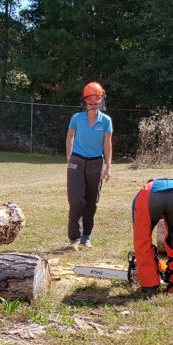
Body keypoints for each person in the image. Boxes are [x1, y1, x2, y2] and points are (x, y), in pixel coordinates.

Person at [64, 81, 114, 250]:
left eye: (97, 101)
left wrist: (108, 166)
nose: (94, 104)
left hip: (96, 163)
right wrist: (69, 156)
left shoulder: (106, 121)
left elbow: (107, 144)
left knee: (92, 202)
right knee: (77, 201)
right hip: (76, 162)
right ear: (85, 101)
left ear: (101, 101)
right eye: (91, 101)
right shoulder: (76, 118)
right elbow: (70, 136)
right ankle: (74, 239)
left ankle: (86, 237)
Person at [131, 178, 173, 294]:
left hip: (150, 198)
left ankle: (149, 286)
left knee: (142, 240)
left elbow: (140, 233)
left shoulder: (143, 192)